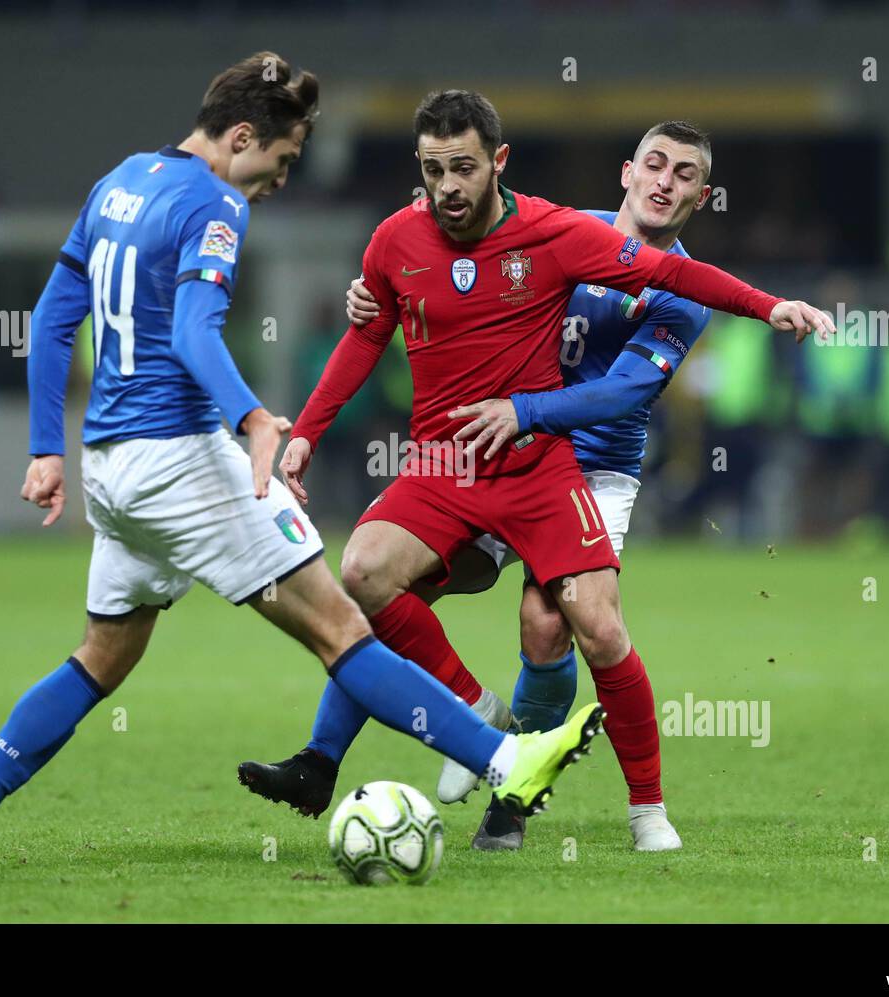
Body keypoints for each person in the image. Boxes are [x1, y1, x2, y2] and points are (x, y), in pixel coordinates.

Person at [0, 56, 603, 874]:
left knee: (101, 657)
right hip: (184, 464)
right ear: (242, 137)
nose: (280, 177)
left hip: (110, 468)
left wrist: (43, 449)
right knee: (345, 626)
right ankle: (501, 759)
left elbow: (54, 318)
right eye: (281, 158)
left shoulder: (120, 182)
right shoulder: (216, 205)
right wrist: (254, 420)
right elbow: (195, 333)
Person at [239, 91, 832, 856]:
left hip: (587, 463)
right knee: (380, 584)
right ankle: (368, 749)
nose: (664, 182)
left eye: (683, 175)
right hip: (481, 453)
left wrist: (768, 304)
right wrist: (379, 298)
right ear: (627, 172)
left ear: (701, 195)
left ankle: (556, 806)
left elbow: (622, 392)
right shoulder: (566, 229)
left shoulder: (668, 286)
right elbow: (435, 281)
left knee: (560, 624)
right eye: (653, 164)